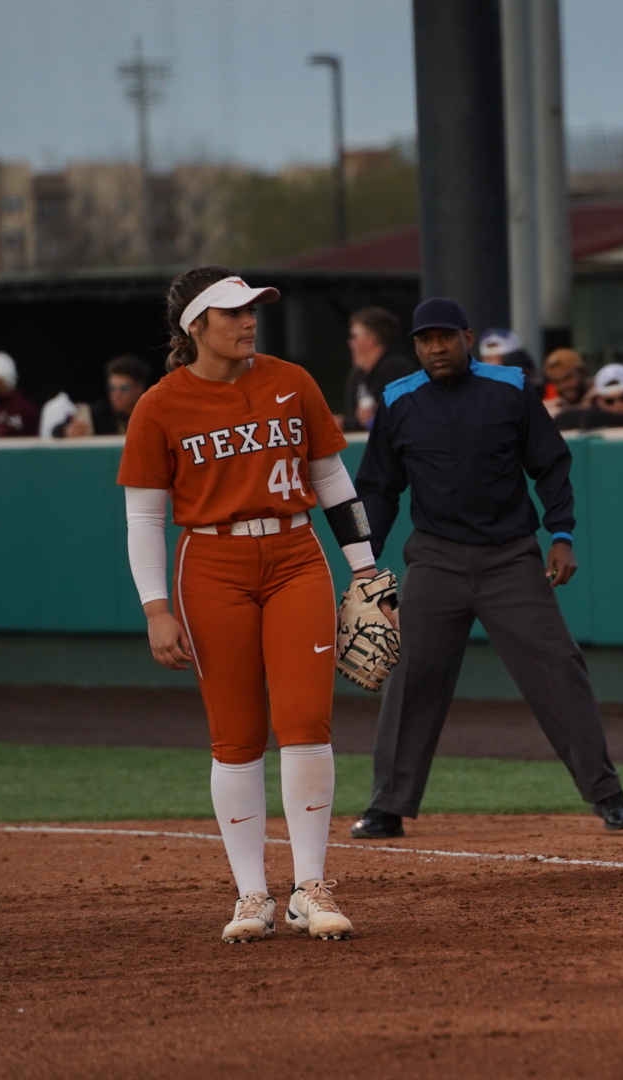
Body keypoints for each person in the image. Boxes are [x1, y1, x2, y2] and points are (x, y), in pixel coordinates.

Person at [117, 266, 386, 943]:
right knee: (235, 735)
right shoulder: (160, 405)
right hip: (212, 565)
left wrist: (367, 573)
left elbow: (334, 483)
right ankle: (251, 895)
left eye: (251, 310)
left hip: (296, 556)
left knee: (305, 721)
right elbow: (144, 518)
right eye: (233, 312)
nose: (249, 321)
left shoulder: (292, 381)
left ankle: (310, 887)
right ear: (195, 326)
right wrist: (155, 608)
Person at [350, 297, 623, 840]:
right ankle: (387, 805)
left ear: (466, 337)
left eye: (445, 337)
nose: (436, 348)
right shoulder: (398, 398)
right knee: (410, 677)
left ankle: (608, 794)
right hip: (435, 559)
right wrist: (364, 563)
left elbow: (550, 463)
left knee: (559, 668)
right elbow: (379, 487)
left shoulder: (510, 387)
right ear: (415, 346)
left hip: (510, 558)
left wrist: (562, 534)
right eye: (425, 340)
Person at [343, 307, 418, 432]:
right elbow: (356, 419)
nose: (350, 343)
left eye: (355, 337)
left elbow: (407, 415)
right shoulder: (357, 375)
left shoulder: (396, 367)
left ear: (372, 340)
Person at [57, 355, 152, 437]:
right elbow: (57, 430)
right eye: (111, 388)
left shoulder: (152, 414)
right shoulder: (97, 413)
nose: (116, 394)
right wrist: (67, 430)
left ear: (139, 388)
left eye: (123, 388)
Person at [555, 363, 623, 431]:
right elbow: (561, 420)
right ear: (600, 401)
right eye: (610, 401)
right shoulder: (592, 415)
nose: (618, 404)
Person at [543, 347, 590, 418]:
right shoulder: (549, 409)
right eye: (557, 381)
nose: (564, 386)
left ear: (582, 373)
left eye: (568, 378)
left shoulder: (603, 401)